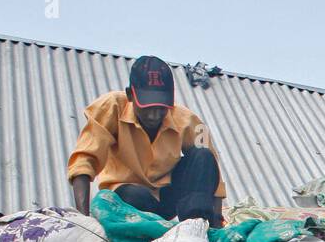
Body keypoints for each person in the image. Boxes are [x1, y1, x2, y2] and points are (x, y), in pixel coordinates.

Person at [67, 55, 225, 226]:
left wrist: (216, 221)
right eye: (147, 108)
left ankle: (197, 227)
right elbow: (84, 161)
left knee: (203, 155)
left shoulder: (188, 121)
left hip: (166, 198)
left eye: (161, 108)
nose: (154, 116)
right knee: (135, 195)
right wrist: (82, 221)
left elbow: (210, 171)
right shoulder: (110, 107)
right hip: (126, 199)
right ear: (130, 95)